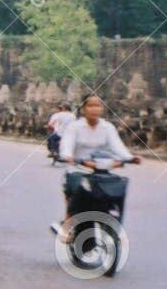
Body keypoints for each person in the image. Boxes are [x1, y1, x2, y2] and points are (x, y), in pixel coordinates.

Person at [53, 94, 140, 239]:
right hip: (78, 169)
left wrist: (130, 158)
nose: (94, 109)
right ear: (83, 109)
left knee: (117, 187)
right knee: (77, 189)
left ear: (102, 109)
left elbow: (117, 147)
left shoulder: (107, 127)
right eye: (90, 105)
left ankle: (114, 223)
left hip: (101, 171)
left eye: (98, 105)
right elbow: (66, 146)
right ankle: (68, 225)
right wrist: (69, 156)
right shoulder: (74, 127)